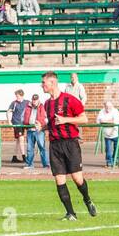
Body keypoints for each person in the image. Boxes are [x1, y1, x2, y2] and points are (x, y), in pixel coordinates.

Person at [39, 71, 96, 219]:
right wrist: (43, 127)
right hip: (55, 145)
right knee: (59, 180)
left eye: (43, 83)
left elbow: (84, 119)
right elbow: (52, 123)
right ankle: (71, 213)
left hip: (70, 144)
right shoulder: (47, 104)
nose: (42, 85)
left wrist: (65, 120)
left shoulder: (70, 99)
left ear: (52, 83)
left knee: (77, 178)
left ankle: (87, 200)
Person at [24, 93, 48, 169]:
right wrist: (27, 123)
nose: (34, 101)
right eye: (33, 100)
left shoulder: (42, 106)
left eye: (36, 100)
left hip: (39, 130)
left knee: (42, 147)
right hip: (30, 130)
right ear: (32, 100)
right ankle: (29, 164)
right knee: (29, 148)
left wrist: (39, 123)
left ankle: (46, 164)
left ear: (38, 100)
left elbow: (44, 118)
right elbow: (25, 118)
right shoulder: (28, 107)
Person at [97, 99, 119, 168]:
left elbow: (115, 122)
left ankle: (115, 161)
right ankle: (109, 162)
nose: (108, 108)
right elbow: (98, 121)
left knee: (116, 148)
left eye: (109, 107)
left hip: (116, 132)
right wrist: (110, 121)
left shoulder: (115, 111)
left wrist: (104, 121)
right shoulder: (101, 111)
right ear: (104, 106)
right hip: (106, 133)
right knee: (108, 149)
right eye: (106, 107)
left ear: (112, 106)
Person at [8, 90, 29, 164]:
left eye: (18, 96)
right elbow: (9, 112)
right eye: (16, 96)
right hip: (17, 123)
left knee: (18, 141)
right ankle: (24, 157)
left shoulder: (27, 102)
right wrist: (9, 121)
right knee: (21, 139)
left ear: (22, 95)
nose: (17, 97)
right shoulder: (14, 103)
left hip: (24, 123)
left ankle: (14, 157)